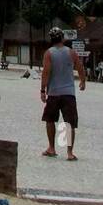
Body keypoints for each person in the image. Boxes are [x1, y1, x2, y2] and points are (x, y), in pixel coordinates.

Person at [40, 28, 86, 161]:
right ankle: (70, 152)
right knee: (69, 123)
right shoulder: (70, 52)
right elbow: (80, 67)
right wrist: (83, 81)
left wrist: (42, 90)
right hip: (69, 93)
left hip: (54, 92)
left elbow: (46, 73)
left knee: (50, 120)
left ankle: (51, 148)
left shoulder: (49, 53)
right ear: (62, 38)